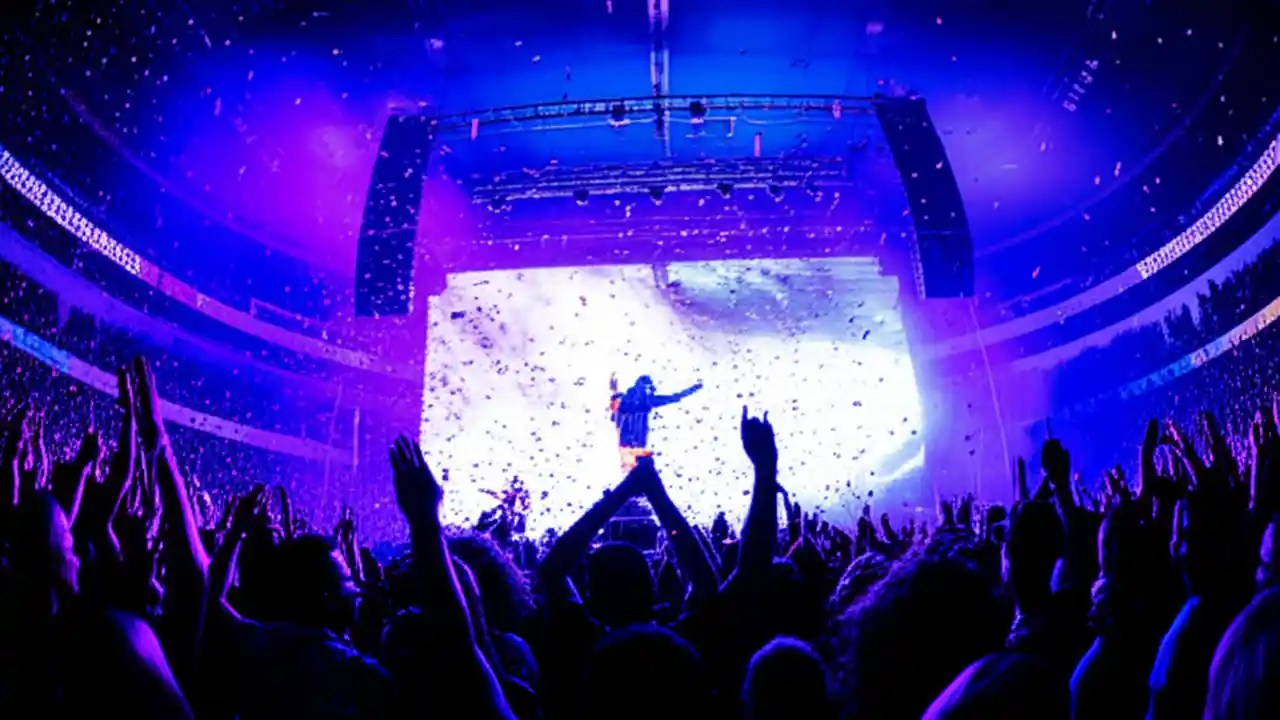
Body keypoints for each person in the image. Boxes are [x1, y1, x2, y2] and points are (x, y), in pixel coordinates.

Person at [608, 375, 702, 469]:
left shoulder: (629, 399)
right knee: (636, 461)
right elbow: (673, 398)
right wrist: (691, 390)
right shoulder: (645, 400)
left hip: (628, 439)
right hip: (637, 440)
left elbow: (615, 411)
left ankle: (631, 467)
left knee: (632, 462)